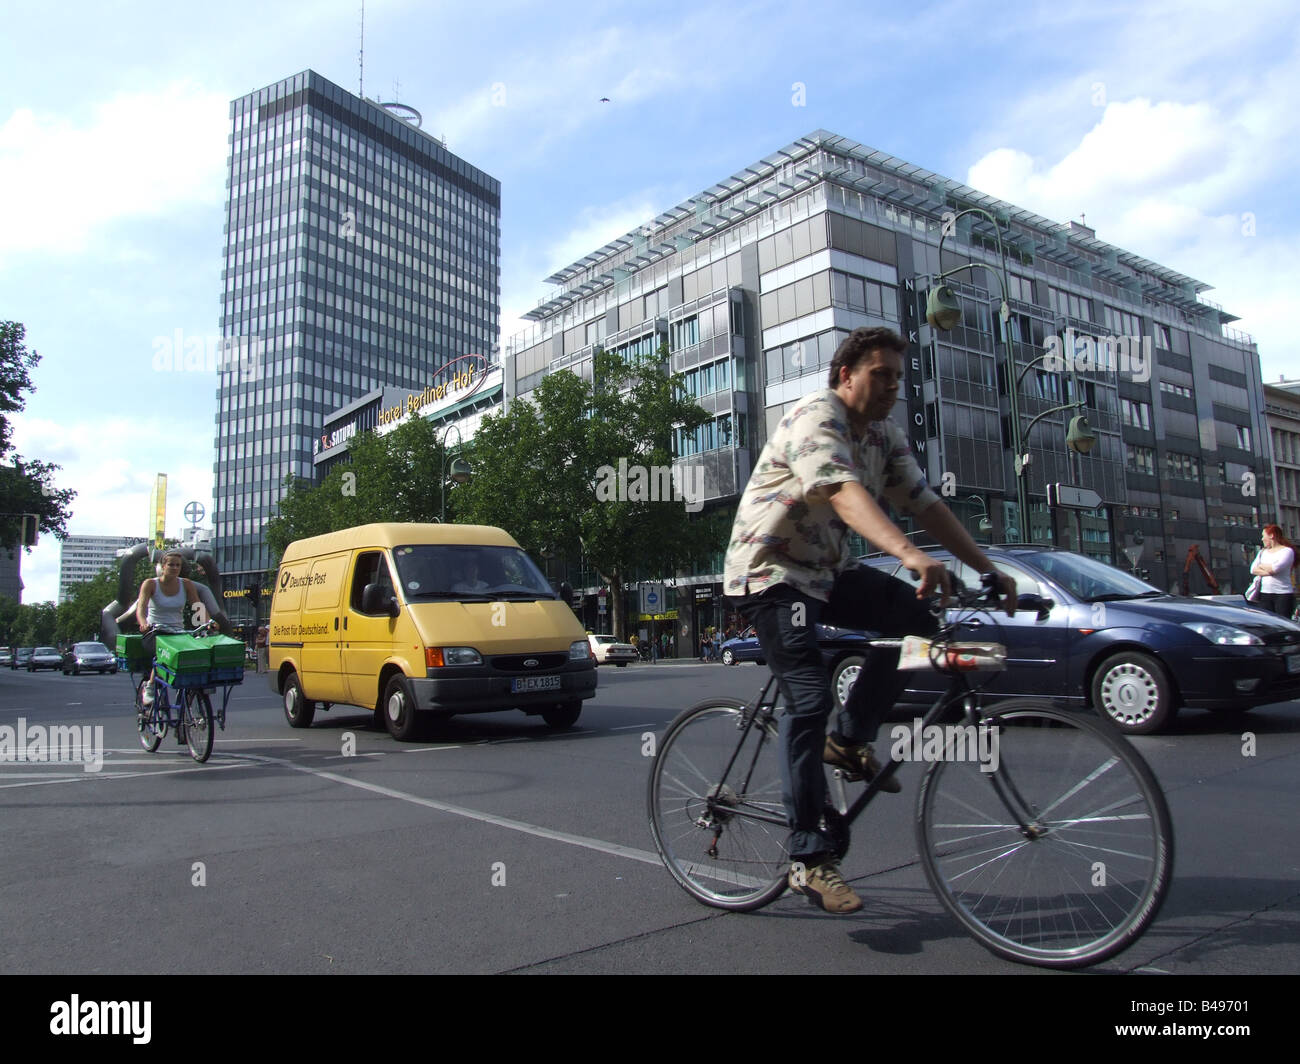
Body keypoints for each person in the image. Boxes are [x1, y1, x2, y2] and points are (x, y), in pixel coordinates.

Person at [723, 326, 1016, 915]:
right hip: (771, 574)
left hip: (826, 573)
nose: (891, 387)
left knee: (916, 619)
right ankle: (808, 858)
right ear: (845, 375)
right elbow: (839, 491)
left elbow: (926, 505)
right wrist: (909, 555)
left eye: (898, 379)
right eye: (880, 374)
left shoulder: (885, 435)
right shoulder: (816, 417)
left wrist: (988, 568)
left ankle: (850, 740)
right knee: (806, 700)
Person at [135, 549, 205, 707]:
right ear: (162, 566)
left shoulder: (186, 584)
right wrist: (143, 623)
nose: (174, 568)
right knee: (166, 654)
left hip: (177, 632)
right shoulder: (151, 584)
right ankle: (150, 687)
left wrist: (207, 621)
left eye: (178, 565)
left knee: (194, 654)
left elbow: (197, 606)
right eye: (171, 565)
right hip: (154, 631)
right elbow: (141, 608)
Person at [1250, 524, 1295, 619]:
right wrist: (1269, 571)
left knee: (1283, 622)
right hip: (1265, 594)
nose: (1262, 539)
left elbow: (1275, 568)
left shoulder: (1287, 551)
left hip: (1283, 595)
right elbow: (1253, 569)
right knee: (1267, 622)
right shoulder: (1262, 552)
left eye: (1263, 536)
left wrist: (1261, 566)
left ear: (1271, 535)